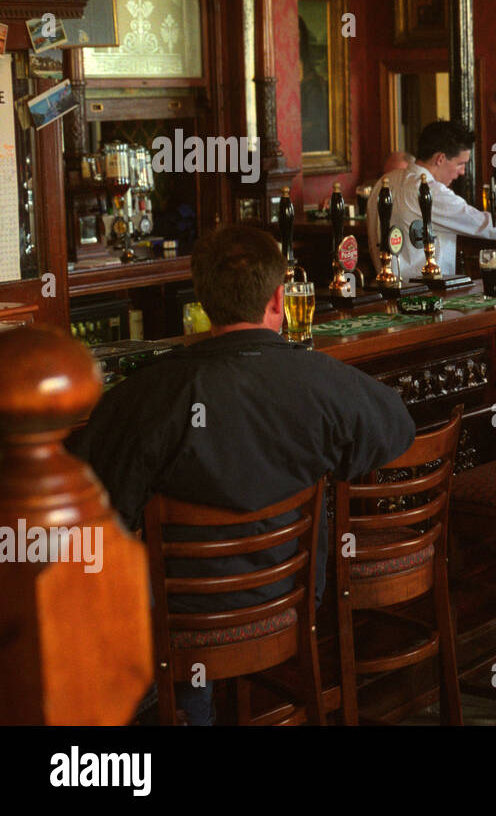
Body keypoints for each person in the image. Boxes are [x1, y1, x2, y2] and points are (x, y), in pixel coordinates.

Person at [70, 224, 415, 723]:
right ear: (279, 299)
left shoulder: (145, 397)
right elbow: (396, 430)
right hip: (292, 602)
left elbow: (93, 511)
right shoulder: (324, 382)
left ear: (203, 300)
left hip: (179, 625)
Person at [366, 121, 496, 280]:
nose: (463, 172)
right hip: (428, 294)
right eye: (461, 164)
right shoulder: (430, 191)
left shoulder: (385, 181)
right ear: (440, 158)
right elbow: (494, 228)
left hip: (386, 290)